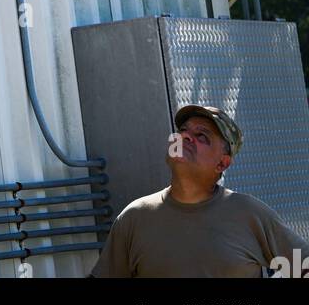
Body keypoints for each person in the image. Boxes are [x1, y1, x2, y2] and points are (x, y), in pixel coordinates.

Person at [90, 104, 309, 278]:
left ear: (222, 164)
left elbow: (304, 267)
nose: (185, 137)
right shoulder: (134, 217)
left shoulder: (250, 214)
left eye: (202, 136)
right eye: (183, 131)